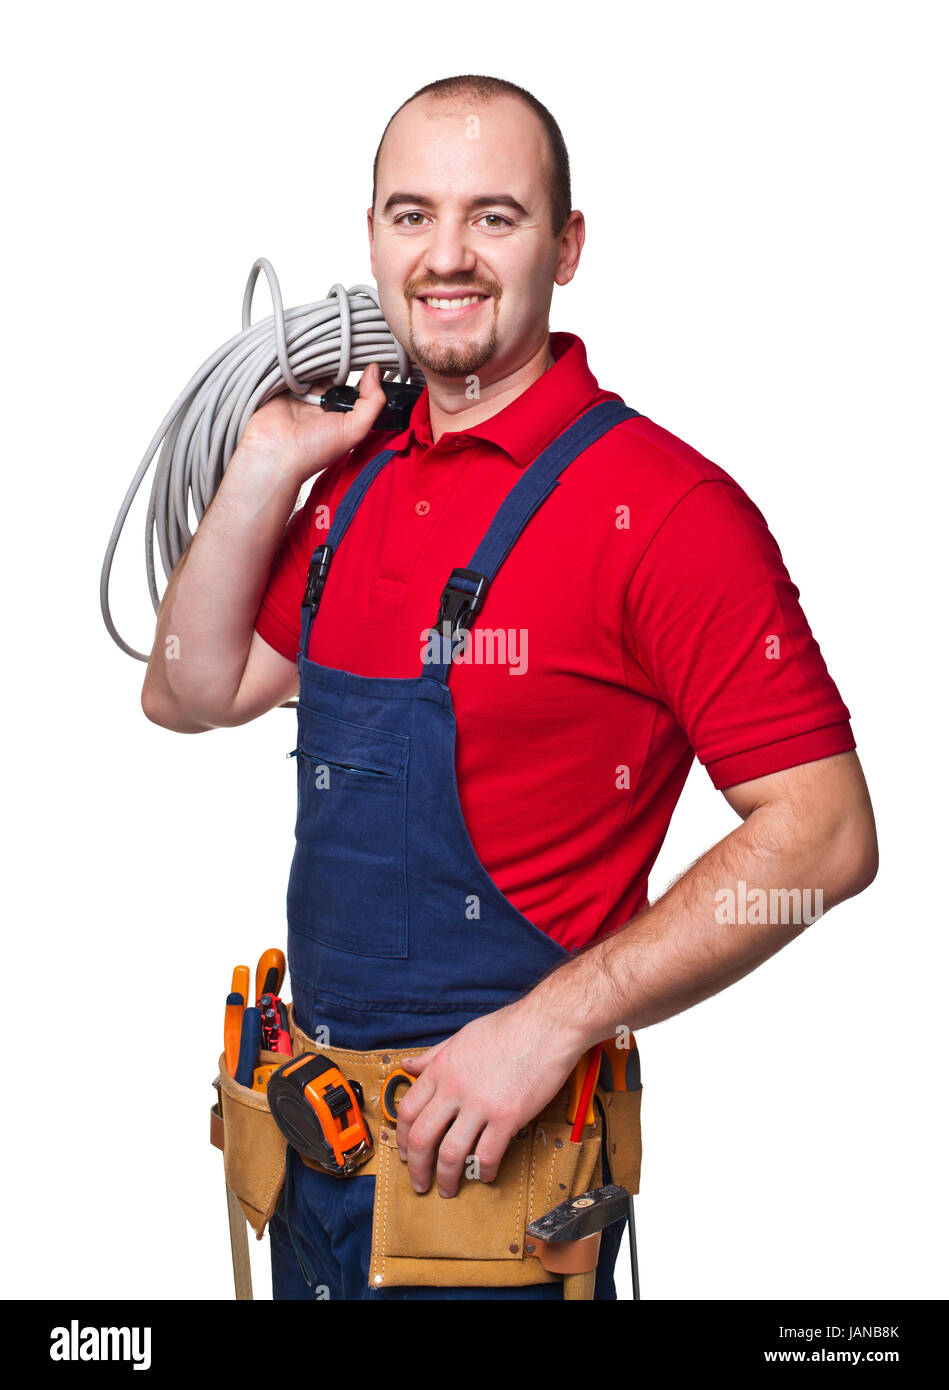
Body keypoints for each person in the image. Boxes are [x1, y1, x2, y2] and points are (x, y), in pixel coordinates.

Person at [141, 73, 878, 1300]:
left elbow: (827, 835)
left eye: (494, 216)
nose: (446, 255)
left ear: (566, 246)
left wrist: (553, 1023)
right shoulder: (350, 487)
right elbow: (190, 689)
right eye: (412, 215)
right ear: (372, 239)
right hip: (312, 1169)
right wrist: (268, 460)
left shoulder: (668, 512)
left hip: (496, 1202)